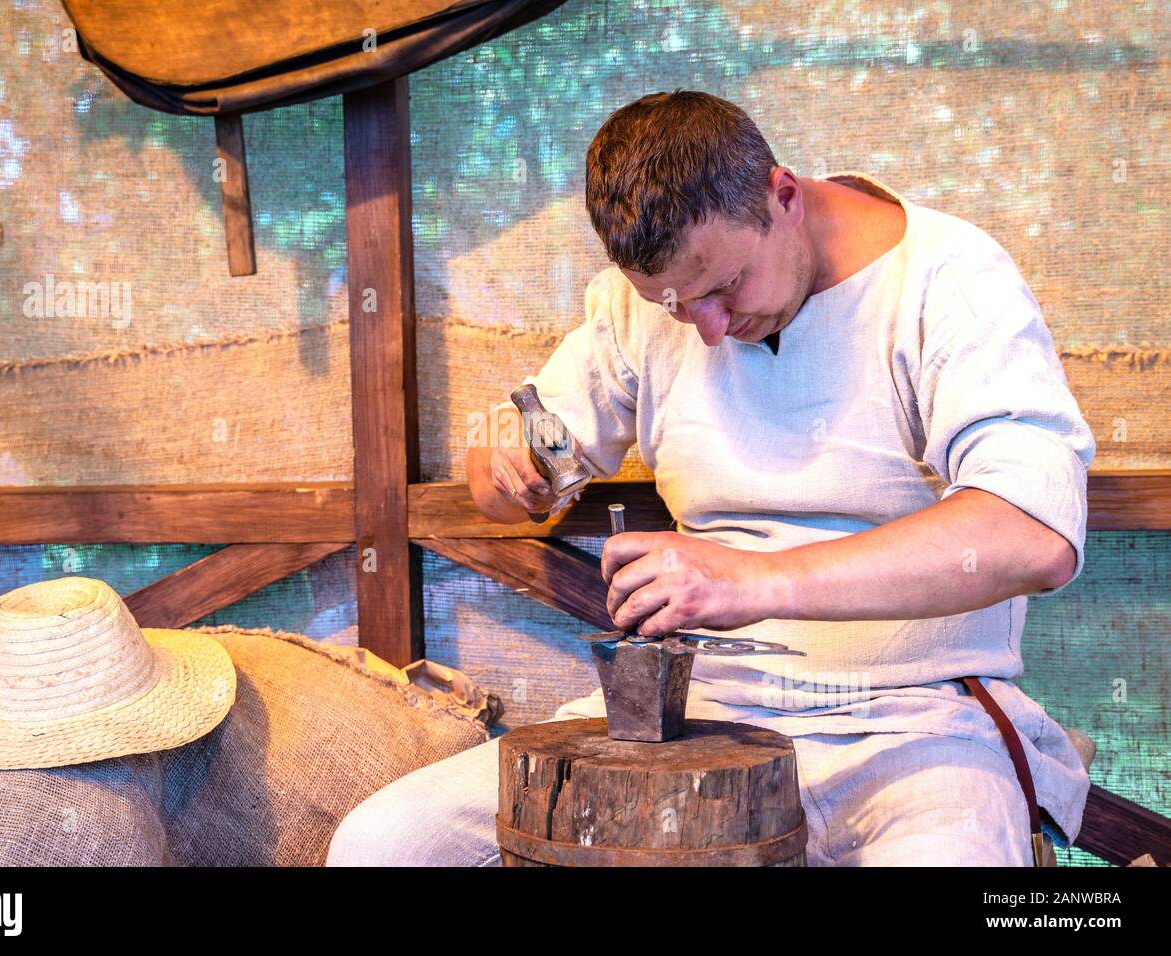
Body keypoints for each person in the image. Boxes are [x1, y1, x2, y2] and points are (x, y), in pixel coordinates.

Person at [326, 89, 1095, 867]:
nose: (709, 328)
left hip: (918, 720)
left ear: (784, 196)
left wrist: (753, 582)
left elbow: (1033, 536)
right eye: (675, 305)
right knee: (382, 845)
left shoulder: (948, 280)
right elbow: (507, 467)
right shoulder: (643, 312)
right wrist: (514, 469)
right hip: (689, 717)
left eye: (725, 287)